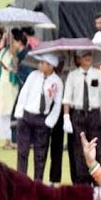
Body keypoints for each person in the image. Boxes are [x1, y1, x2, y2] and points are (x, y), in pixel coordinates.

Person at [12, 52, 62, 183]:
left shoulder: (57, 82)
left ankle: (37, 182)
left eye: (43, 63)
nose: (40, 65)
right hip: (27, 116)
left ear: (51, 66)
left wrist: (49, 121)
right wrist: (19, 113)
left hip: (42, 119)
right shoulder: (33, 76)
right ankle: (21, 180)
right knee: (23, 151)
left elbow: (57, 104)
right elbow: (24, 93)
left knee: (40, 154)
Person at [62, 50, 101, 182]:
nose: (88, 57)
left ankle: (99, 179)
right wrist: (66, 117)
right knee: (78, 147)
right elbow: (67, 98)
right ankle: (80, 180)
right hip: (77, 114)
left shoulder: (98, 74)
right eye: (84, 55)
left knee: (97, 145)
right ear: (78, 58)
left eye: (89, 55)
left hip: (94, 113)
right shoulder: (72, 76)